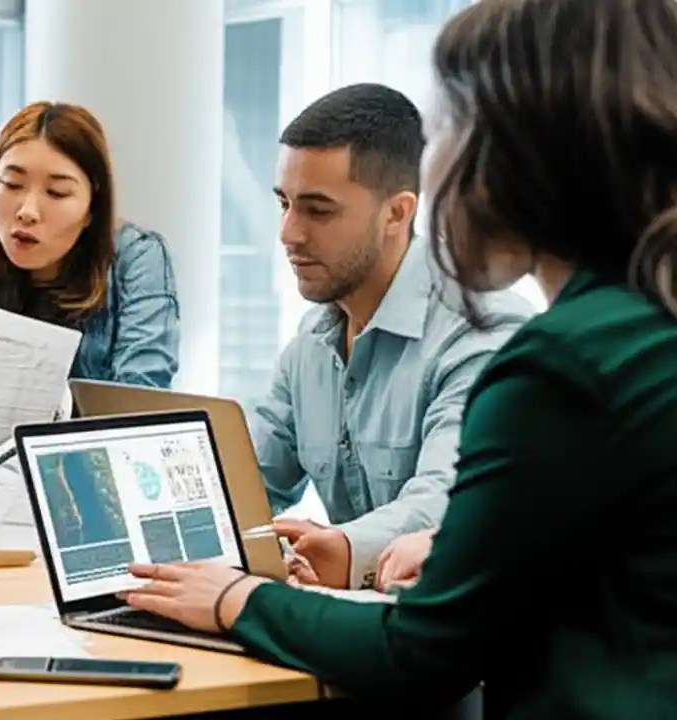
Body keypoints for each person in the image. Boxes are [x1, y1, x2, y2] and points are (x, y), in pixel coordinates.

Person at [123, 0, 677, 715]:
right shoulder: (640, 328)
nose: (438, 158)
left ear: (520, 152)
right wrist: (452, 546)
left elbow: (424, 652)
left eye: (450, 126)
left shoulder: (558, 363)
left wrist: (236, 598)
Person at [246, 83, 532, 590]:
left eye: (317, 210)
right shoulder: (312, 340)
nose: (288, 233)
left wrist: (344, 550)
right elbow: (248, 482)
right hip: (359, 622)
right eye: (284, 203)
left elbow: (449, 500)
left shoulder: (481, 331)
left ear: (398, 212)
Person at [0, 101, 180, 400]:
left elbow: (140, 401)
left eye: (57, 193)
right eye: (12, 184)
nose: (27, 212)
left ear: (92, 209)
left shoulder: (136, 260)